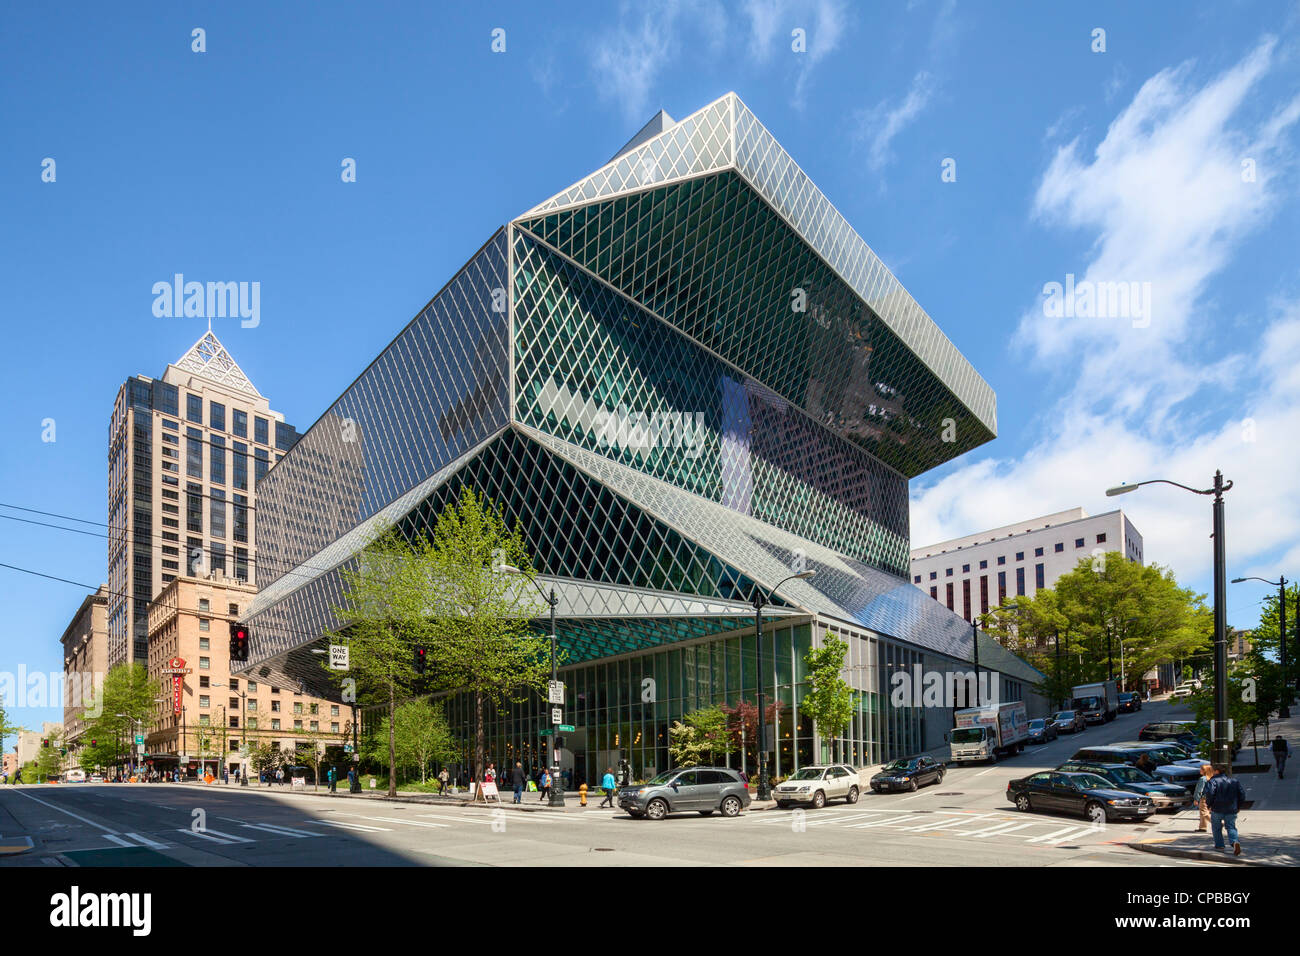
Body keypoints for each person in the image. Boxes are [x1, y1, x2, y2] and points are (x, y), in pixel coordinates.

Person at [1203, 765, 1247, 856]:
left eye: (1213, 770)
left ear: (1217, 771)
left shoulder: (1212, 781)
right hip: (1231, 808)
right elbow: (1242, 795)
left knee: (1216, 827)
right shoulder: (1234, 781)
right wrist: (1238, 806)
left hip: (1217, 808)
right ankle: (1234, 842)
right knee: (1231, 826)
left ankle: (1219, 845)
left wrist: (1209, 805)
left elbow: (1210, 794)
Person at [1193, 763, 1214, 832]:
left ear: (1205, 771)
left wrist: (1196, 799)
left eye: (1201, 769)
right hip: (1210, 797)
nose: (1200, 770)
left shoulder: (1202, 779)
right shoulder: (1211, 778)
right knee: (1204, 812)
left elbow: (1199, 790)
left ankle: (1219, 823)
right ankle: (1202, 827)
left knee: (1204, 813)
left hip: (1203, 798)